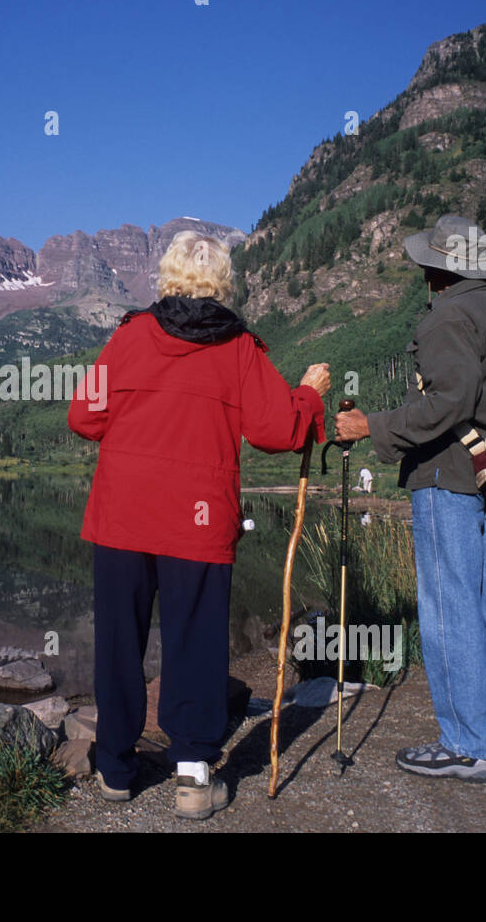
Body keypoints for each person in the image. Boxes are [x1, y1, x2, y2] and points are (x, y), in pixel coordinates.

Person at [67, 231, 329, 818]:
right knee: (196, 642)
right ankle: (192, 777)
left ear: (165, 278)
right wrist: (309, 397)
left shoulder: (131, 336)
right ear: (224, 284)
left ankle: (114, 769)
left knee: (119, 642)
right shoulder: (238, 347)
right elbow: (278, 431)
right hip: (198, 523)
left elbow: (83, 415)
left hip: (122, 520)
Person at [333, 214, 486, 782]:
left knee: (449, 606)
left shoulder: (448, 317)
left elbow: (448, 404)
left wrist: (372, 425)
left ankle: (467, 746)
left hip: (449, 475)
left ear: (438, 268)